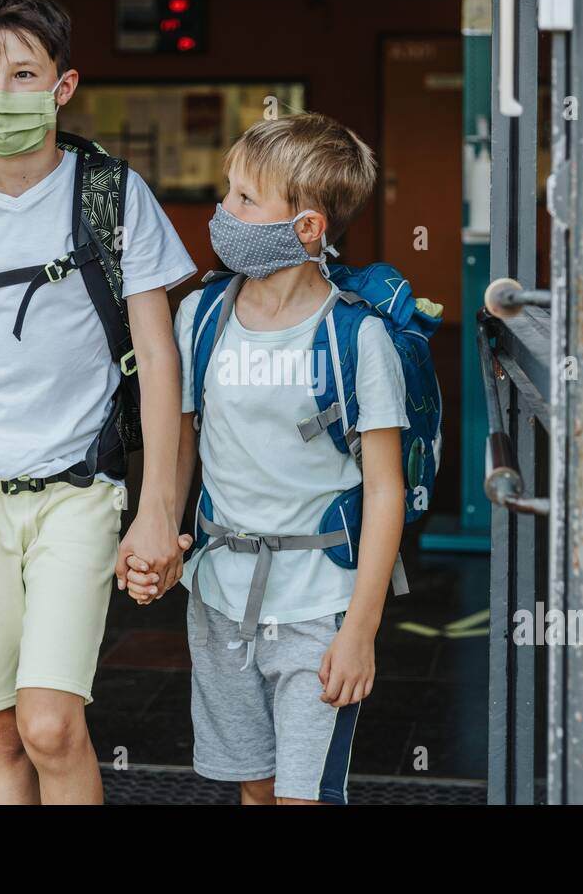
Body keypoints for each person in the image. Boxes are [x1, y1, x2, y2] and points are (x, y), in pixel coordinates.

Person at [0, 0, 195, 804]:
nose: (1, 92)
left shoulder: (114, 196)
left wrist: (158, 507)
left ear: (63, 88)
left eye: (25, 74)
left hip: (77, 493)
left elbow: (161, 359)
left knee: (50, 724)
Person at [123, 113, 409, 804]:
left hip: (320, 608)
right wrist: (158, 532)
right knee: (254, 790)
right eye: (228, 191)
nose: (224, 212)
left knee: (299, 798)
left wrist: (362, 630)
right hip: (220, 597)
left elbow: (385, 491)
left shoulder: (358, 337)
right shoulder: (203, 314)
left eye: (245, 200)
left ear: (307, 227)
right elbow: (184, 443)